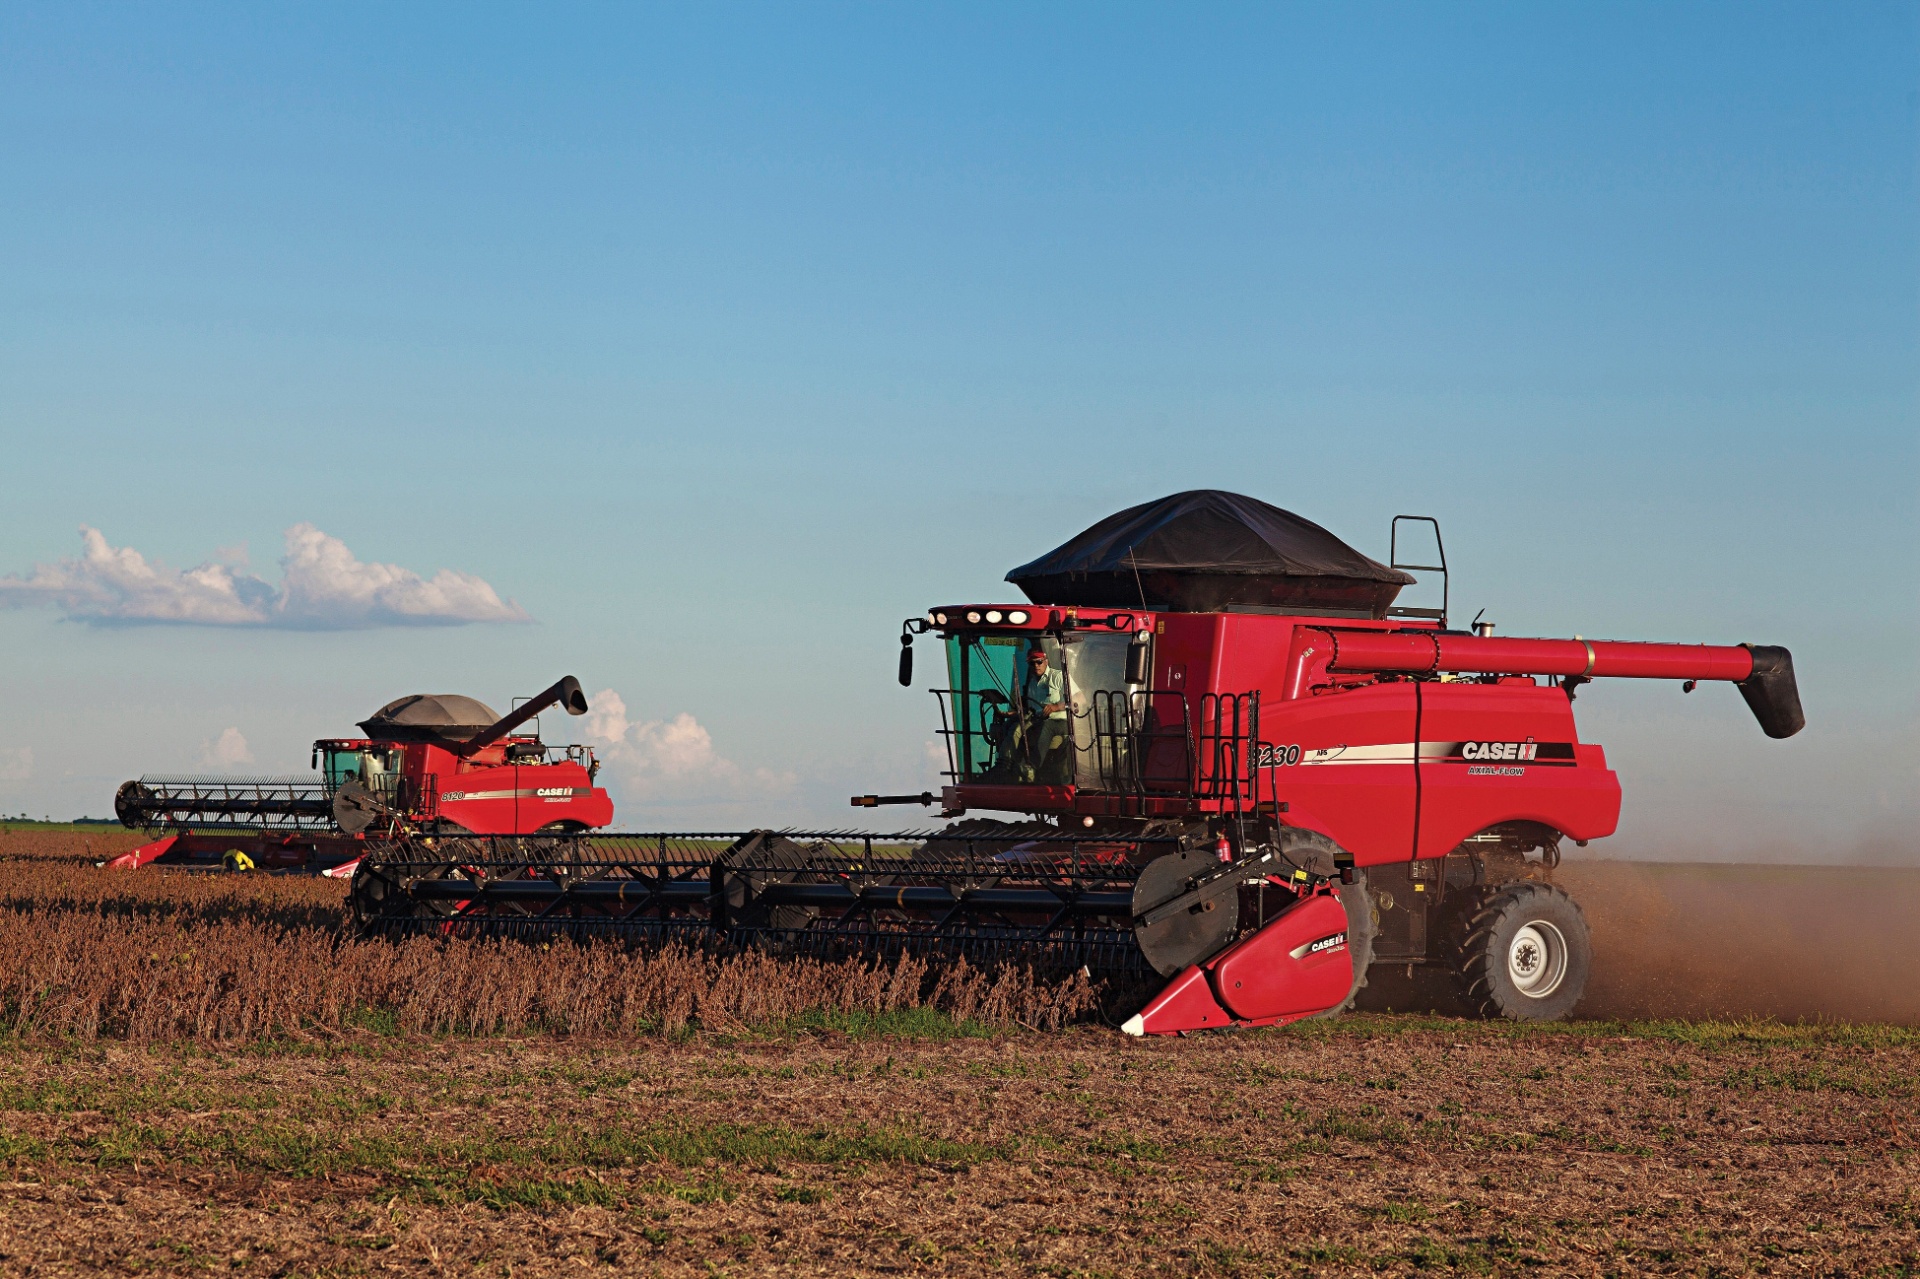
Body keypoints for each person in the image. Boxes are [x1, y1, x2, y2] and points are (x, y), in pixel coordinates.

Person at [1022, 643, 1071, 782]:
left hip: (1065, 722)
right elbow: (1033, 709)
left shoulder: (1058, 676)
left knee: (1047, 726)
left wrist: (1056, 707)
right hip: (1040, 720)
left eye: (1039, 662)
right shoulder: (1032, 683)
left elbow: (1079, 700)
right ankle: (1006, 767)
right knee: (1014, 725)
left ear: (1046, 661)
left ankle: (1032, 768)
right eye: (1032, 663)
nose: (1036, 665)